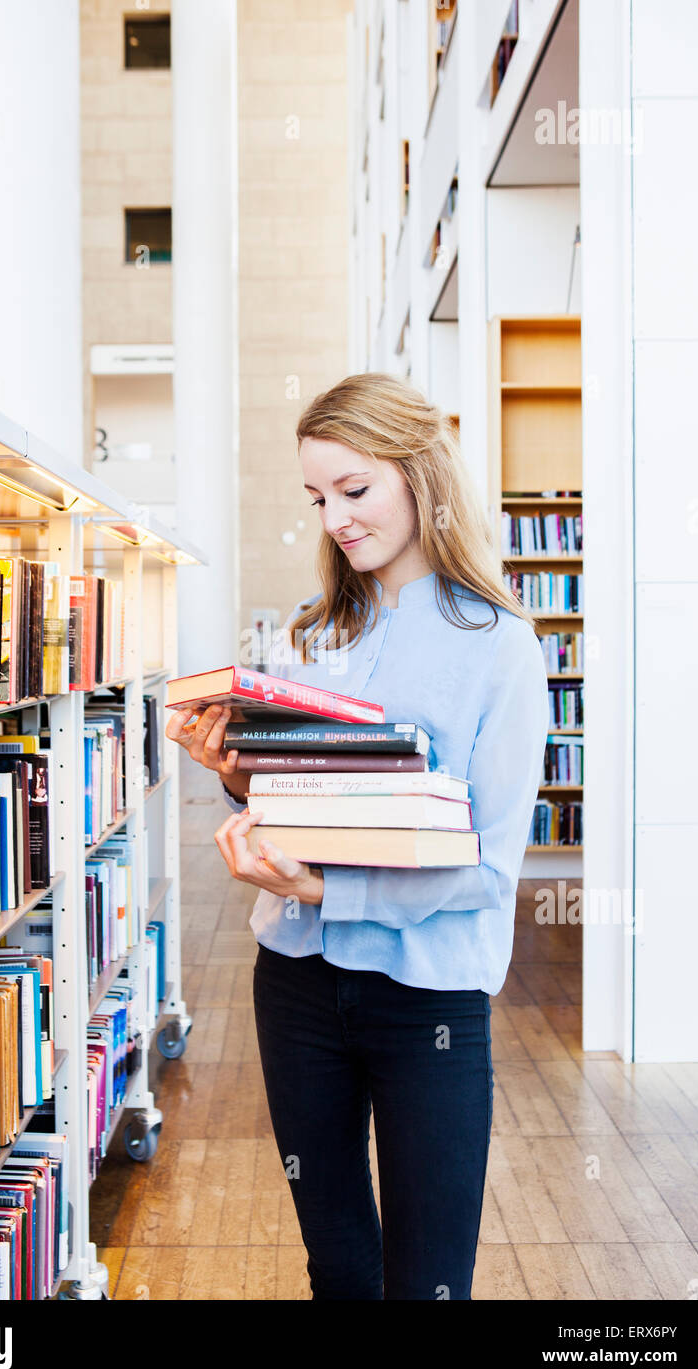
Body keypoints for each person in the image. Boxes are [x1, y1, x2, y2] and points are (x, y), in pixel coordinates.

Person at [165, 372, 548, 1300]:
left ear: (421, 474)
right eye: (318, 497)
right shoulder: (316, 634)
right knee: (337, 1265)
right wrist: (232, 773)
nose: (335, 517)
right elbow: (297, 800)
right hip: (295, 985)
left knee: (429, 1280)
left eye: (355, 489)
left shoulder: (501, 648)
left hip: (428, 1002)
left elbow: (490, 871)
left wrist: (330, 892)